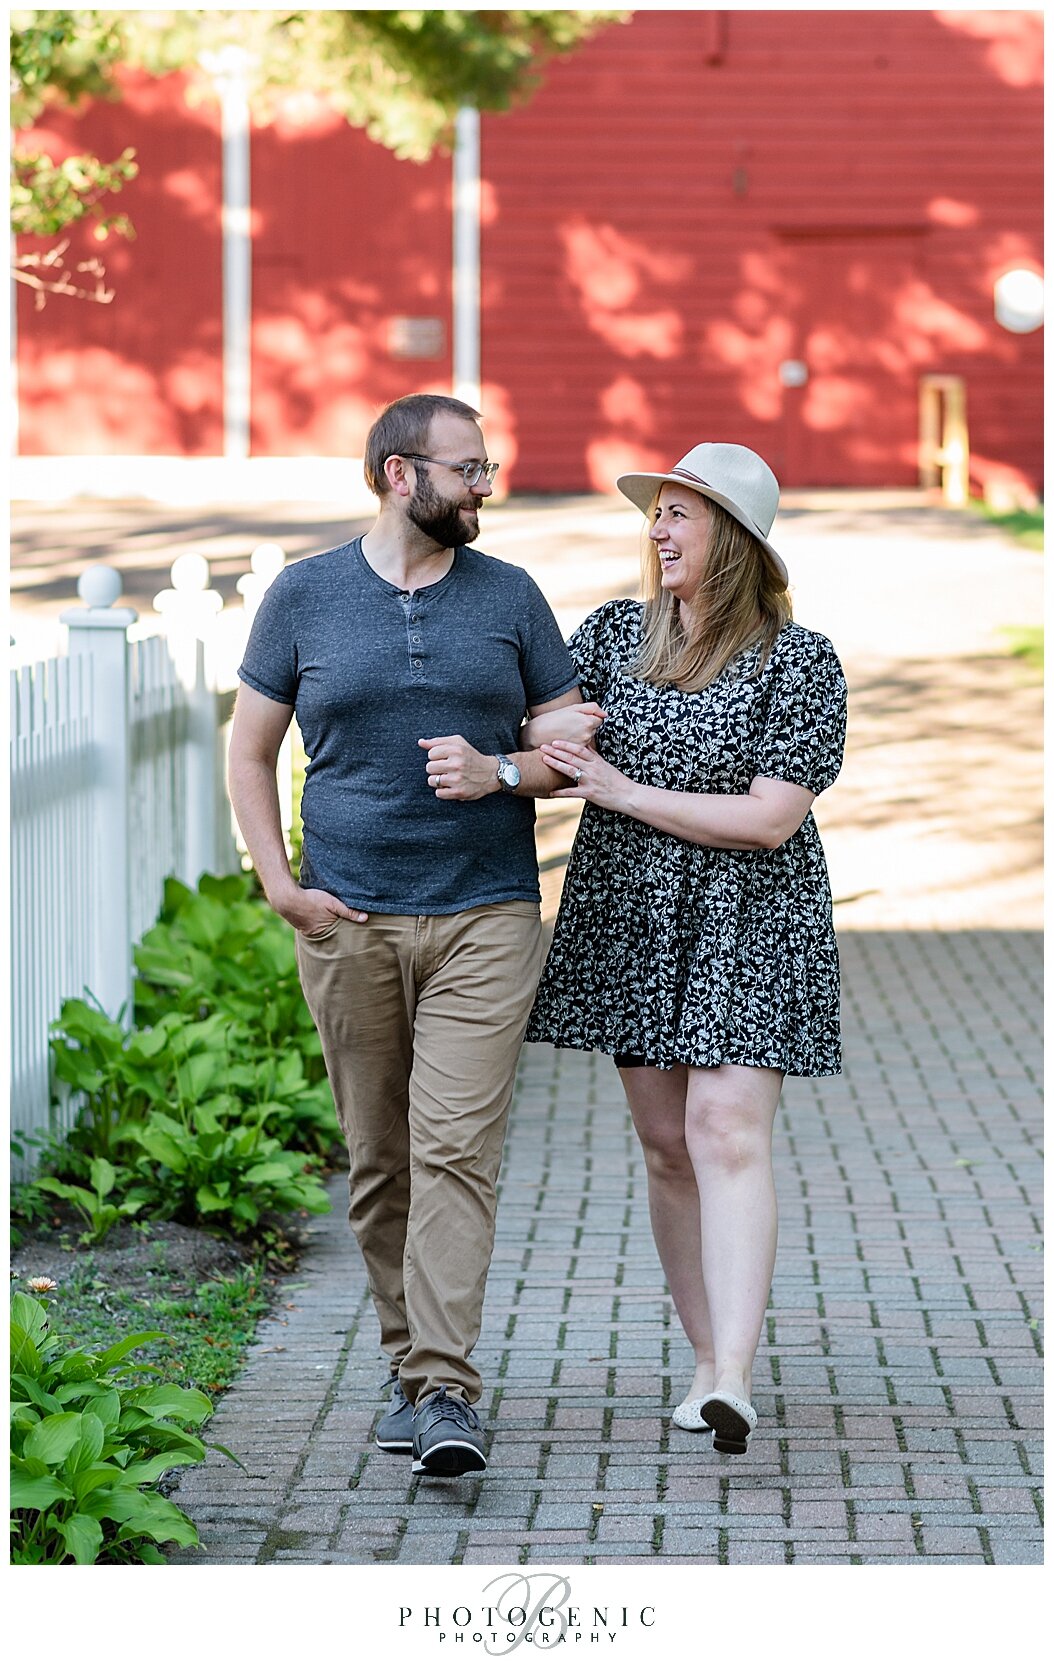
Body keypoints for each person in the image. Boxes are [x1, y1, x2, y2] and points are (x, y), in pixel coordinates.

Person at [227, 393, 592, 1478]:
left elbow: (565, 743)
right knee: (381, 1158)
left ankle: (443, 1387)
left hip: (485, 911)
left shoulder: (510, 598)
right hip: (348, 918)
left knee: (453, 1151)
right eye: (467, 469)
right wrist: (280, 887)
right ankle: (406, 1363)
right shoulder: (304, 597)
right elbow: (249, 751)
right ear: (399, 474)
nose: (487, 486)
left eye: (486, 469)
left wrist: (503, 771)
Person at [523, 443, 847, 1456]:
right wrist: (509, 759)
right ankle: (706, 1363)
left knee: (725, 1131)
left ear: (734, 540)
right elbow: (548, 752)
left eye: (681, 515)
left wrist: (613, 790)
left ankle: (737, 1378)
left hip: (753, 918)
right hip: (634, 918)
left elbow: (768, 820)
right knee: (667, 1147)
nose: (658, 531)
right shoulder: (613, 636)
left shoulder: (800, 661)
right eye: (655, 514)